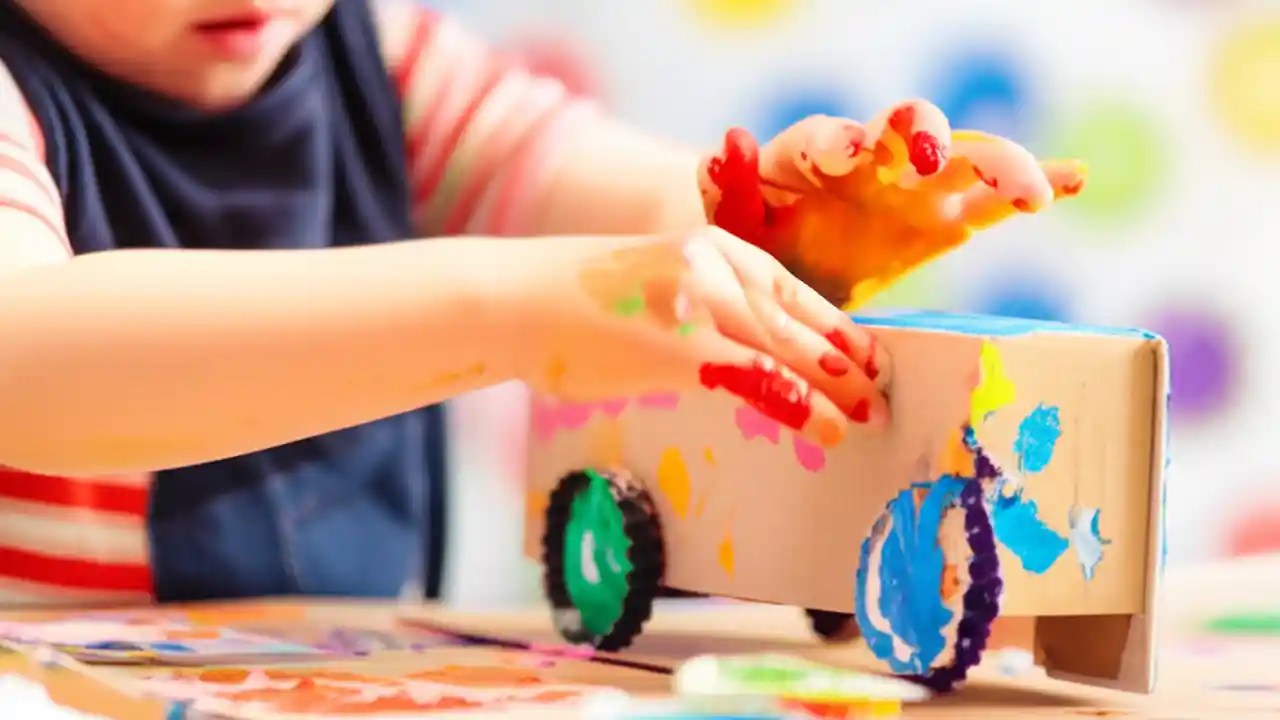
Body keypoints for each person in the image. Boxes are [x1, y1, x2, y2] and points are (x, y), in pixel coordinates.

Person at [0, 0, 1082, 605]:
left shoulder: (380, 59)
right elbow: (25, 357)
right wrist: (518, 308)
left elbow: (608, 195)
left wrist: (779, 233)